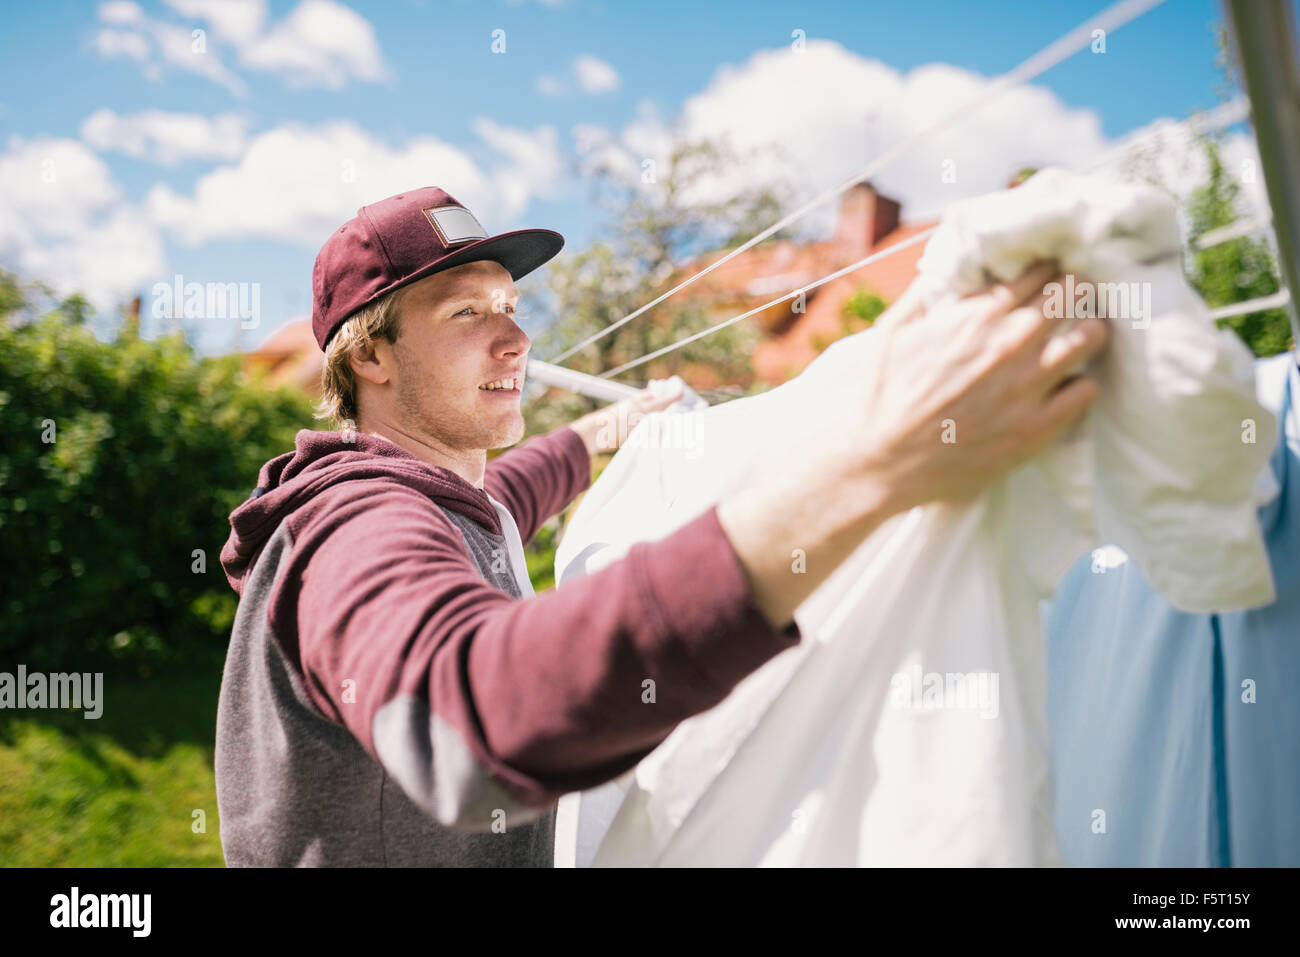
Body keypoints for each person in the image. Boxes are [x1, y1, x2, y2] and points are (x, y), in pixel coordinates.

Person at [213, 185, 1109, 866]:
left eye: (513, 309)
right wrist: (875, 464)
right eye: (466, 314)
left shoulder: (446, 499)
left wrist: (607, 431)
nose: (516, 341)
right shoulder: (350, 524)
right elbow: (466, 716)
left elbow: (510, 492)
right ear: (368, 353)